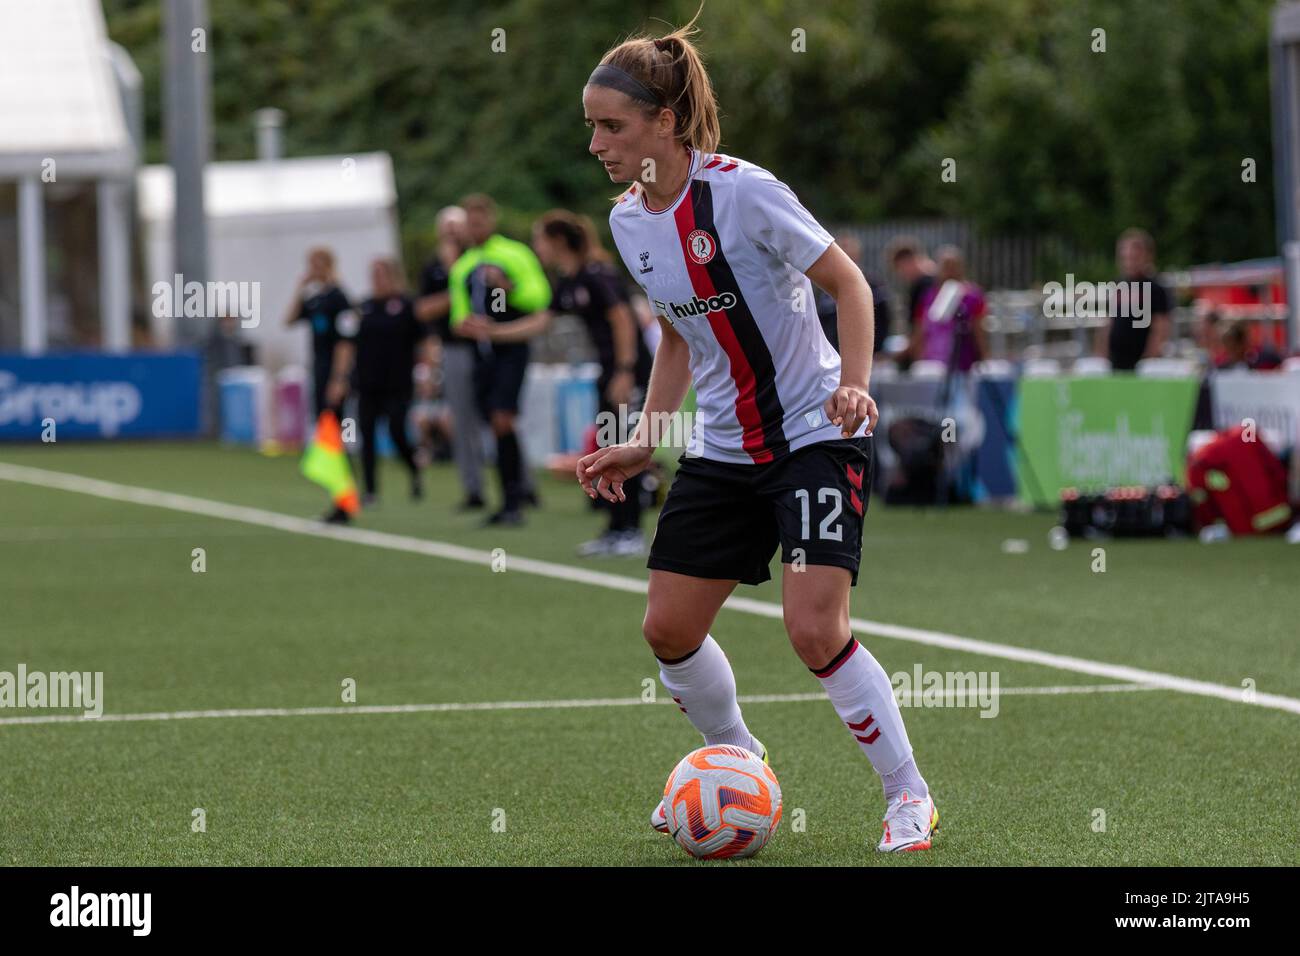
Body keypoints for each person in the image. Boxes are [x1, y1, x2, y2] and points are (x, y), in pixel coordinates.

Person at [575, 18, 938, 852]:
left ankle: (907, 794)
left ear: (664, 121)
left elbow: (848, 282)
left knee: (814, 629)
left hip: (815, 434)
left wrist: (855, 384)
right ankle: (736, 759)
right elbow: (677, 332)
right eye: (592, 126)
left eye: (612, 125)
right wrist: (647, 436)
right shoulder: (630, 223)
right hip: (723, 448)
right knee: (668, 630)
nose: (597, 142)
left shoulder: (746, 192)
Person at [532, 210, 654, 556]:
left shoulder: (597, 274)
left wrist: (625, 370)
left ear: (557, 241)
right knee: (608, 443)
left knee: (625, 446)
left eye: (540, 239)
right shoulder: (570, 280)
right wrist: (493, 330)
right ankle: (615, 528)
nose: (537, 247)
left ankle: (630, 530)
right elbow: (543, 321)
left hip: (628, 371)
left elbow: (623, 320)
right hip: (608, 371)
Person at [448, 194, 552, 526]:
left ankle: (512, 503)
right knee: (494, 421)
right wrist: (467, 324)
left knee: (502, 418)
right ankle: (518, 490)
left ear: (491, 221)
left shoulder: (513, 254)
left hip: (510, 348)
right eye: (470, 222)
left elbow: (539, 297)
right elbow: (458, 314)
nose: (475, 227)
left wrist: (507, 288)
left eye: (480, 221)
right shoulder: (464, 265)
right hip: (481, 354)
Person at [330, 258, 426, 505]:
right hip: (367, 382)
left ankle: (413, 468)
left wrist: (427, 373)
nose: (378, 280)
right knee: (367, 434)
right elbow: (346, 344)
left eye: (382, 274)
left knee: (397, 431)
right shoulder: (362, 308)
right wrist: (339, 378)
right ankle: (371, 489)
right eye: (374, 275)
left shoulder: (406, 306)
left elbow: (424, 341)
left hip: (398, 382)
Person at [418, 206, 489, 511]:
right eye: (446, 226)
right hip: (456, 348)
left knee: (502, 415)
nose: (451, 232)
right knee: (462, 419)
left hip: (489, 345)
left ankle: (520, 485)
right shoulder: (434, 267)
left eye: (456, 226)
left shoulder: (481, 260)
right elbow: (423, 310)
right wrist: (452, 280)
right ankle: (474, 489)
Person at [283, 247, 357, 420]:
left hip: (336, 367)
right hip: (319, 364)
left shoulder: (339, 298)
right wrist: (300, 288)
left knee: (341, 418)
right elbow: (289, 320)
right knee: (323, 416)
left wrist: (340, 378)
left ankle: (345, 446)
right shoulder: (315, 299)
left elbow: (345, 342)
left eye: (317, 264)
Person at [1095, 228, 1172, 371]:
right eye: (1126, 257)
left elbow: (1160, 327)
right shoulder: (1117, 285)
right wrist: (1102, 355)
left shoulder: (1156, 288)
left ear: (1147, 256)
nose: (1129, 261)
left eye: (1134, 257)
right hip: (1115, 362)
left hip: (1140, 365)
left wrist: (1149, 360)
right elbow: (1109, 323)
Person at [908, 245, 988, 372]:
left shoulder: (973, 296)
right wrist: (917, 360)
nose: (950, 271)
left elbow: (979, 330)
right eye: (946, 267)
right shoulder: (928, 296)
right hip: (932, 363)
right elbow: (920, 330)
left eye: (954, 267)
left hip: (964, 362)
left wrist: (984, 358)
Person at [814, 232, 891, 355]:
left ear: (857, 253)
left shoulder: (871, 283)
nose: (845, 253)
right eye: (841, 249)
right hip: (832, 354)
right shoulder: (824, 285)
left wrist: (878, 350)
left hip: (865, 355)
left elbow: (882, 318)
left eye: (848, 248)